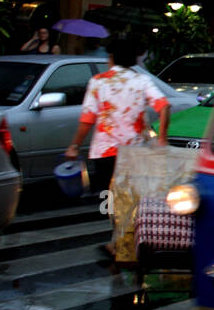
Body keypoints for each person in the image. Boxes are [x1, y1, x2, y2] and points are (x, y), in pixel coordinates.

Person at [64, 36, 170, 256]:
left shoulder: (99, 81)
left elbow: (87, 118)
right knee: (132, 196)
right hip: (135, 151)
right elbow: (164, 106)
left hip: (104, 151)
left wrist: (74, 145)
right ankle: (126, 239)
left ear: (111, 57)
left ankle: (118, 239)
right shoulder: (142, 81)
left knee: (110, 198)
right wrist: (162, 139)